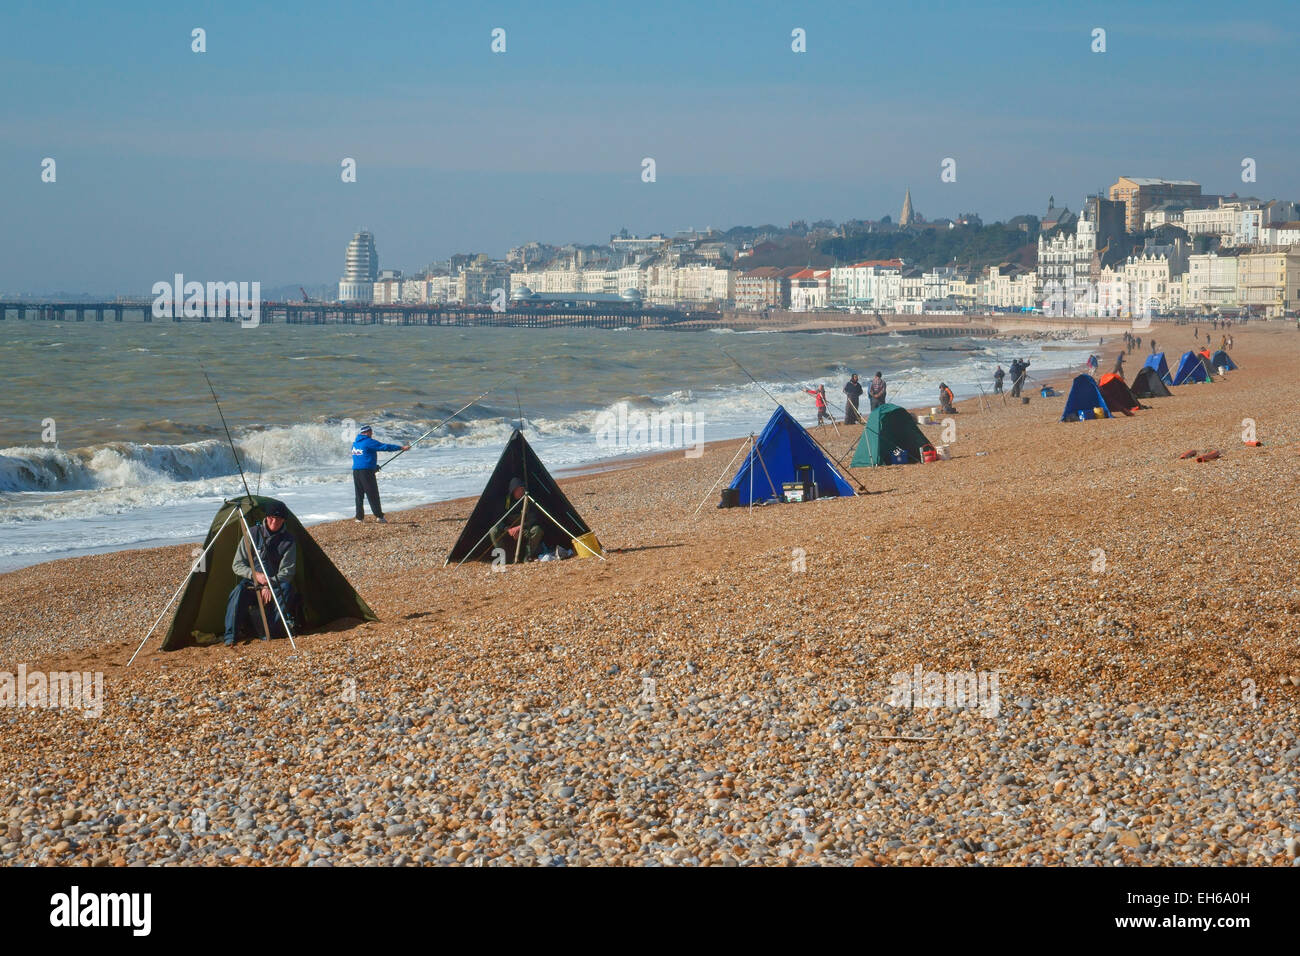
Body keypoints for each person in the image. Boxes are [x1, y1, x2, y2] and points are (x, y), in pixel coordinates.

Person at [223, 501, 296, 646]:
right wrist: (256, 576)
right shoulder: (252, 533)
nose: (274, 521)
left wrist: (268, 583)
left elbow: (287, 571)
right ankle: (231, 636)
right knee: (238, 591)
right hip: (252, 582)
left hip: (274, 584)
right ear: (266, 517)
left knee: (287, 589)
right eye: (271, 517)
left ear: (284, 520)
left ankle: (269, 632)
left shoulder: (289, 541)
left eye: (279, 519)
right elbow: (237, 565)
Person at [351, 425, 409, 523]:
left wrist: (374, 467)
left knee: (359, 495)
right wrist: (401, 447)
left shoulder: (355, 443)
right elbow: (385, 447)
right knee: (373, 494)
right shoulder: (368, 441)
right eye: (371, 432)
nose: (372, 434)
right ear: (367, 432)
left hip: (356, 472)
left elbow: (362, 458)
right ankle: (379, 517)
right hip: (366, 472)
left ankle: (359, 518)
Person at [490, 477, 544, 563]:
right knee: (493, 530)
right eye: (518, 490)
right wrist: (507, 529)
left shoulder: (528, 500)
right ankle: (503, 559)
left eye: (522, 489)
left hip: (524, 530)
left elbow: (534, 518)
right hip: (508, 531)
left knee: (537, 530)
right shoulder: (505, 502)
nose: (521, 492)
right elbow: (497, 520)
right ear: (513, 491)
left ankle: (527, 556)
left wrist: (520, 527)